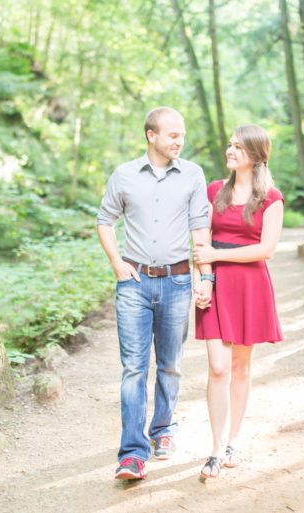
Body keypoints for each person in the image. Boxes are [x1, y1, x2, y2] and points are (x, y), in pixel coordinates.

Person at [96, 107, 213, 481]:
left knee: (170, 364)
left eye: (182, 135)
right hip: (134, 284)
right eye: (173, 135)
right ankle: (132, 454)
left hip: (177, 282)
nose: (180, 141)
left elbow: (200, 229)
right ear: (151, 135)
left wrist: (206, 277)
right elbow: (105, 220)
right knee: (134, 368)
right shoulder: (124, 175)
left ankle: (163, 429)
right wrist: (116, 263)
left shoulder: (193, 174)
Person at [193, 124, 284, 479]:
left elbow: (267, 249)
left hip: (250, 286)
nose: (230, 151)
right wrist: (205, 277)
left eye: (238, 147)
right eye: (230, 145)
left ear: (256, 156)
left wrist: (217, 254)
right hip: (216, 285)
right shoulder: (214, 191)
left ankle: (234, 441)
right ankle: (215, 448)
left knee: (241, 368)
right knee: (218, 367)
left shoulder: (271, 198)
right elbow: (201, 242)